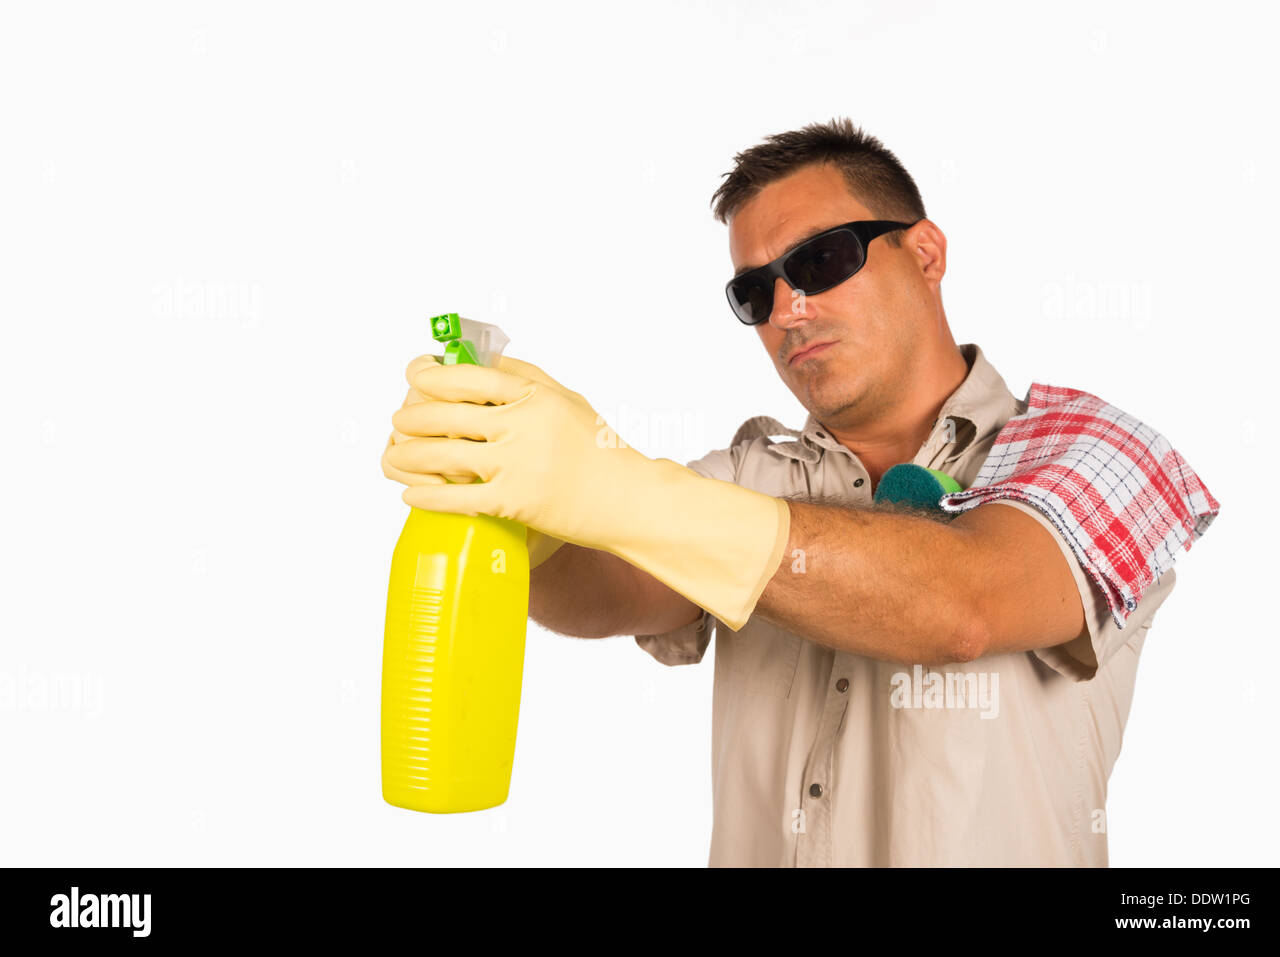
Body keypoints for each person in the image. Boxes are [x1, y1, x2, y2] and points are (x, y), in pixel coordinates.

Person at [381, 118, 1218, 866]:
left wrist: (607, 483)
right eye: (756, 291)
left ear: (925, 252)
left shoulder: (1097, 451)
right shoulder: (750, 476)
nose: (788, 308)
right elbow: (603, 586)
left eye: (820, 259)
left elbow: (965, 604)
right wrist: (516, 512)